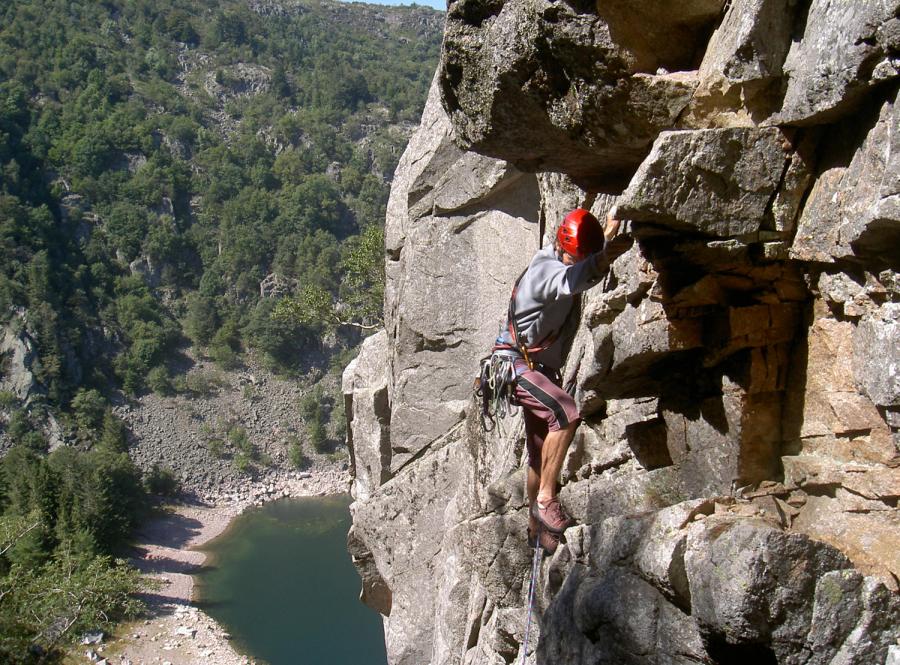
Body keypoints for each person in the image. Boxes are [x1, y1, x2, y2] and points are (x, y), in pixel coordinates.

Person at [495, 206, 631, 553]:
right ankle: (545, 501)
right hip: (515, 365)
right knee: (566, 414)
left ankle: (535, 528)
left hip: (530, 367)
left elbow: (580, 263)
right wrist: (601, 262)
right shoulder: (545, 270)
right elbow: (569, 281)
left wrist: (609, 234)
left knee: (539, 449)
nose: (575, 261)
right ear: (564, 249)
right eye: (576, 256)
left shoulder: (563, 256)